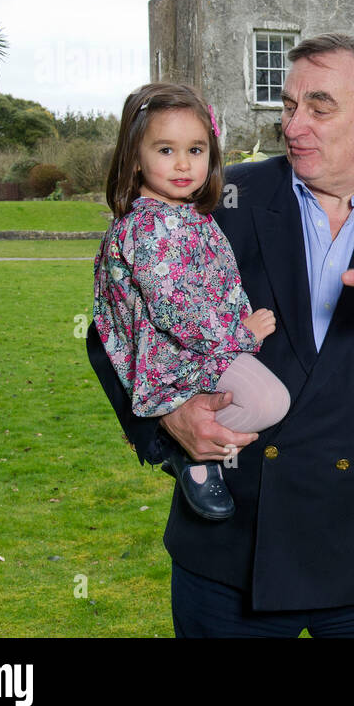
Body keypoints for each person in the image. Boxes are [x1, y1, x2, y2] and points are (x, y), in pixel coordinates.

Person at [86, 33, 354, 637]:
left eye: (320, 107)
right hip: (235, 547)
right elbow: (114, 323)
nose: (294, 124)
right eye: (288, 105)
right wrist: (169, 420)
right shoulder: (218, 197)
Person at [93, 82, 290, 521]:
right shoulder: (148, 227)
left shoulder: (185, 215)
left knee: (269, 400)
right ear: (135, 157)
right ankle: (191, 456)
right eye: (166, 150)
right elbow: (175, 309)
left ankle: (197, 456)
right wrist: (242, 334)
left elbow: (218, 281)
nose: (183, 164)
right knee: (268, 402)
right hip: (175, 358)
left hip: (201, 349)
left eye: (196, 150)